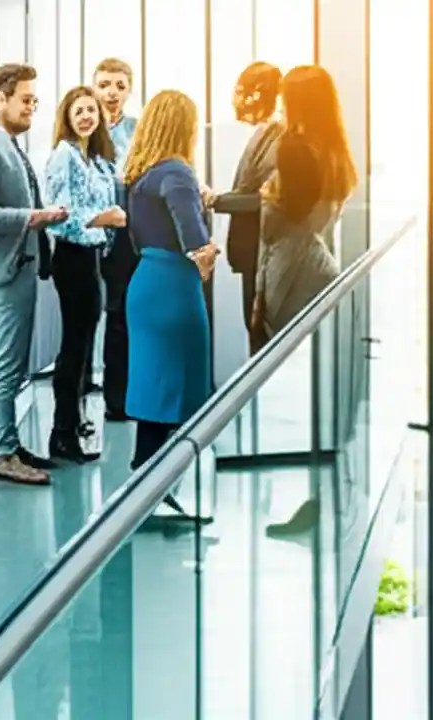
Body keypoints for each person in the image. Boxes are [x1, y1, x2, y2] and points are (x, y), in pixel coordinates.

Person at [0, 62, 67, 485]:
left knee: (14, 364)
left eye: (35, 101)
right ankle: (2, 454)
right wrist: (33, 217)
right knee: (5, 367)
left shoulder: (8, 145)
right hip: (2, 274)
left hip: (19, 269)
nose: (31, 108)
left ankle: (9, 442)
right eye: (25, 99)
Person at [123, 91, 219, 517]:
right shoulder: (178, 171)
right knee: (181, 392)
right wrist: (208, 255)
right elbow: (194, 240)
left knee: (153, 392)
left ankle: (145, 484)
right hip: (174, 289)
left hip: (146, 282)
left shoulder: (142, 174)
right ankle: (156, 489)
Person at [42, 85, 126, 461]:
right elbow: (58, 215)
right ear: (68, 117)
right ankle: (62, 434)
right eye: (80, 111)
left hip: (92, 255)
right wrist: (100, 219)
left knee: (85, 343)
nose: (87, 116)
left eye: (91, 110)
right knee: (74, 347)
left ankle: (73, 423)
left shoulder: (94, 157)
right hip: (73, 256)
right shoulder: (64, 156)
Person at [251, 65, 357, 347]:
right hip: (324, 264)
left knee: (277, 352)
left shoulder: (294, 148)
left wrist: (266, 197)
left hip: (290, 267)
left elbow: (281, 218)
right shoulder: (335, 152)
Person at [206, 61, 284, 337]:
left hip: (263, 250)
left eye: (242, 91)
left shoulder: (281, 139)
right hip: (251, 252)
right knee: (253, 329)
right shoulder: (265, 134)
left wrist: (216, 201)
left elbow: (267, 199)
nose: (236, 100)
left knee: (262, 333)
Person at [92, 57, 140, 421]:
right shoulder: (83, 126)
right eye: (105, 84)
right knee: (89, 315)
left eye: (120, 86)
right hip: (91, 232)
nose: (112, 92)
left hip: (129, 233)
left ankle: (121, 398)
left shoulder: (138, 130)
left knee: (123, 313)